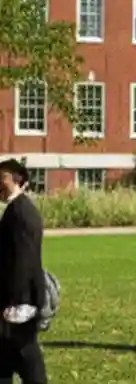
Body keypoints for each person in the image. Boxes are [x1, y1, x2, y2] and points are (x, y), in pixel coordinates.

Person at [0, 159, 46, 384]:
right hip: (17, 298)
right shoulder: (16, 209)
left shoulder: (21, 212)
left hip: (20, 300)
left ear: (16, 179)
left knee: (27, 357)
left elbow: (24, 260)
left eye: (2, 177)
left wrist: (16, 301)